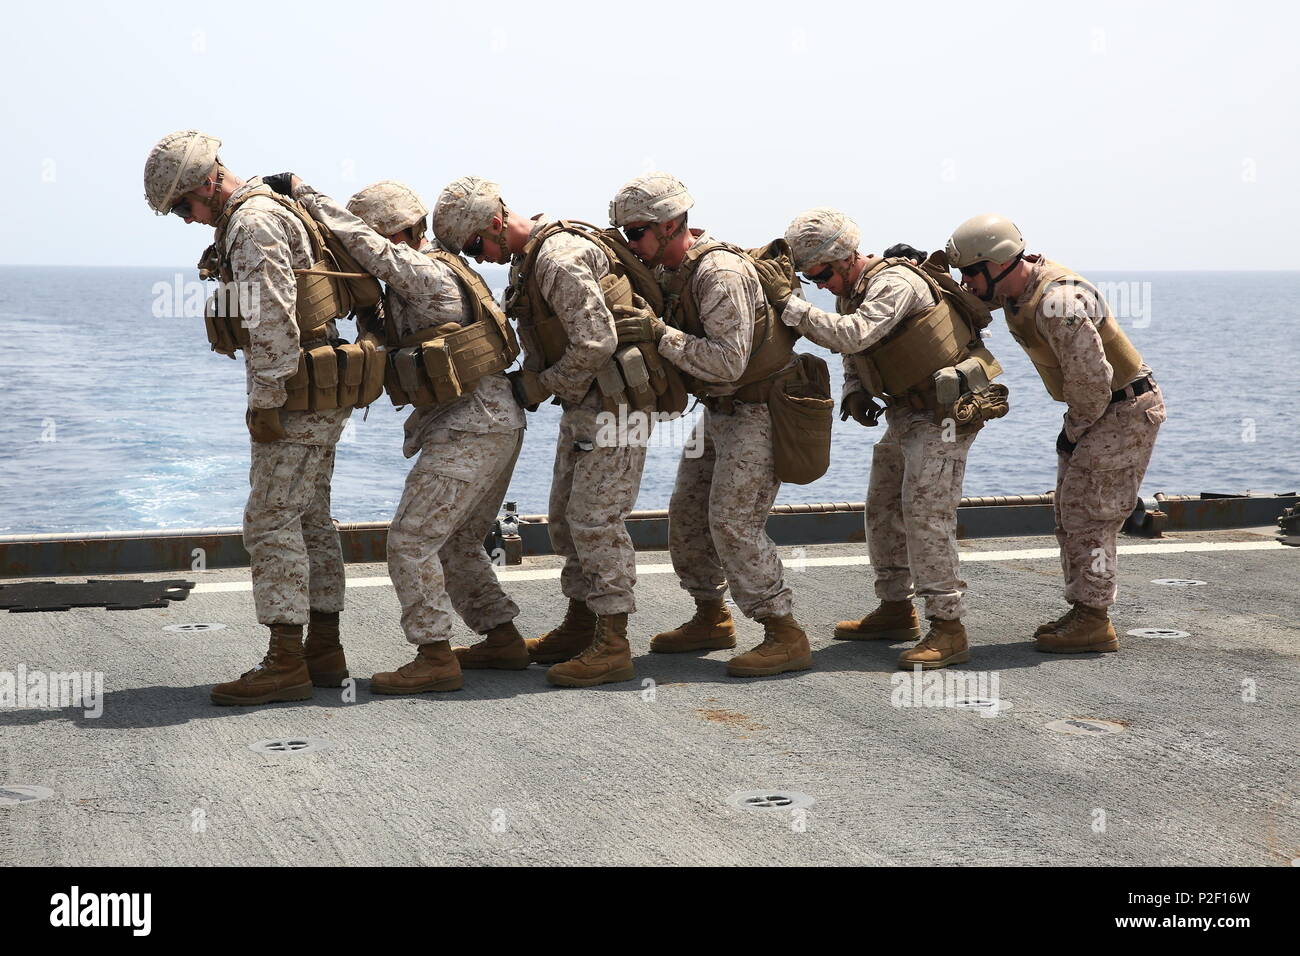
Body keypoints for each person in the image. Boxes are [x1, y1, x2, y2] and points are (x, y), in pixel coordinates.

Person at [283, 176, 527, 691]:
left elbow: (366, 244)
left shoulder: (424, 272)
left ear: (397, 235)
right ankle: (501, 636)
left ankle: (435, 656)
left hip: (473, 428)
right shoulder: (422, 279)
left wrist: (305, 193)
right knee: (457, 541)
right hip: (492, 424)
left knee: (410, 541)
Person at [143, 131, 351, 704]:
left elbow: (274, 319)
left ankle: (286, 661)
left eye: (186, 204)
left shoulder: (252, 221)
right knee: (309, 517)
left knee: (270, 519)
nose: (187, 219)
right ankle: (323, 653)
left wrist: (265, 402)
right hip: (318, 385)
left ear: (209, 181)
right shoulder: (267, 208)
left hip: (295, 394)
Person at [431, 176, 651, 687]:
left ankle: (613, 643)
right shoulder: (529, 262)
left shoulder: (556, 259)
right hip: (588, 405)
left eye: (473, 245)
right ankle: (581, 626)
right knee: (566, 519)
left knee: (595, 520)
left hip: (615, 407)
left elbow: (596, 339)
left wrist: (541, 385)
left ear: (493, 223)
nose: (477, 256)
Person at [779, 208, 1005, 669]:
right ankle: (896, 607)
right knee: (883, 507)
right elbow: (853, 349)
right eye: (810, 278)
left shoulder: (894, 284)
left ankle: (948, 626)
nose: (820, 285)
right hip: (906, 413)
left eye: (821, 274)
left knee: (926, 514)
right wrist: (855, 389)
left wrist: (790, 306)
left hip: (944, 414)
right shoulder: (851, 291)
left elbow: (855, 334)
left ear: (843, 257)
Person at [610, 172, 812, 678]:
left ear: (673, 224)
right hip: (724, 411)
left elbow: (727, 363)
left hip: (759, 410)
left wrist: (660, 334)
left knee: (733, 521)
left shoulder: (717, 273)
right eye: (626, 235)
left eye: (637, 233)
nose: (632, 244)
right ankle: (710, 615)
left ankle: (783, 631)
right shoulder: (678, 270)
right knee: (688, 514)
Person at [946, 213, 1165, 652]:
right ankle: (1084, 607)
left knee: (1092, 516)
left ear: (999, 262)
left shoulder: (1057, 302)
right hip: (1101, 409)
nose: (966, 280)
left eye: (971, 271)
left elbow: (1091, 380)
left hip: (1119, 409)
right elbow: (972, 306)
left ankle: (1095, 620)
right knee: (1070, 512)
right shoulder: (1015, 288)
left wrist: (1075, 429)